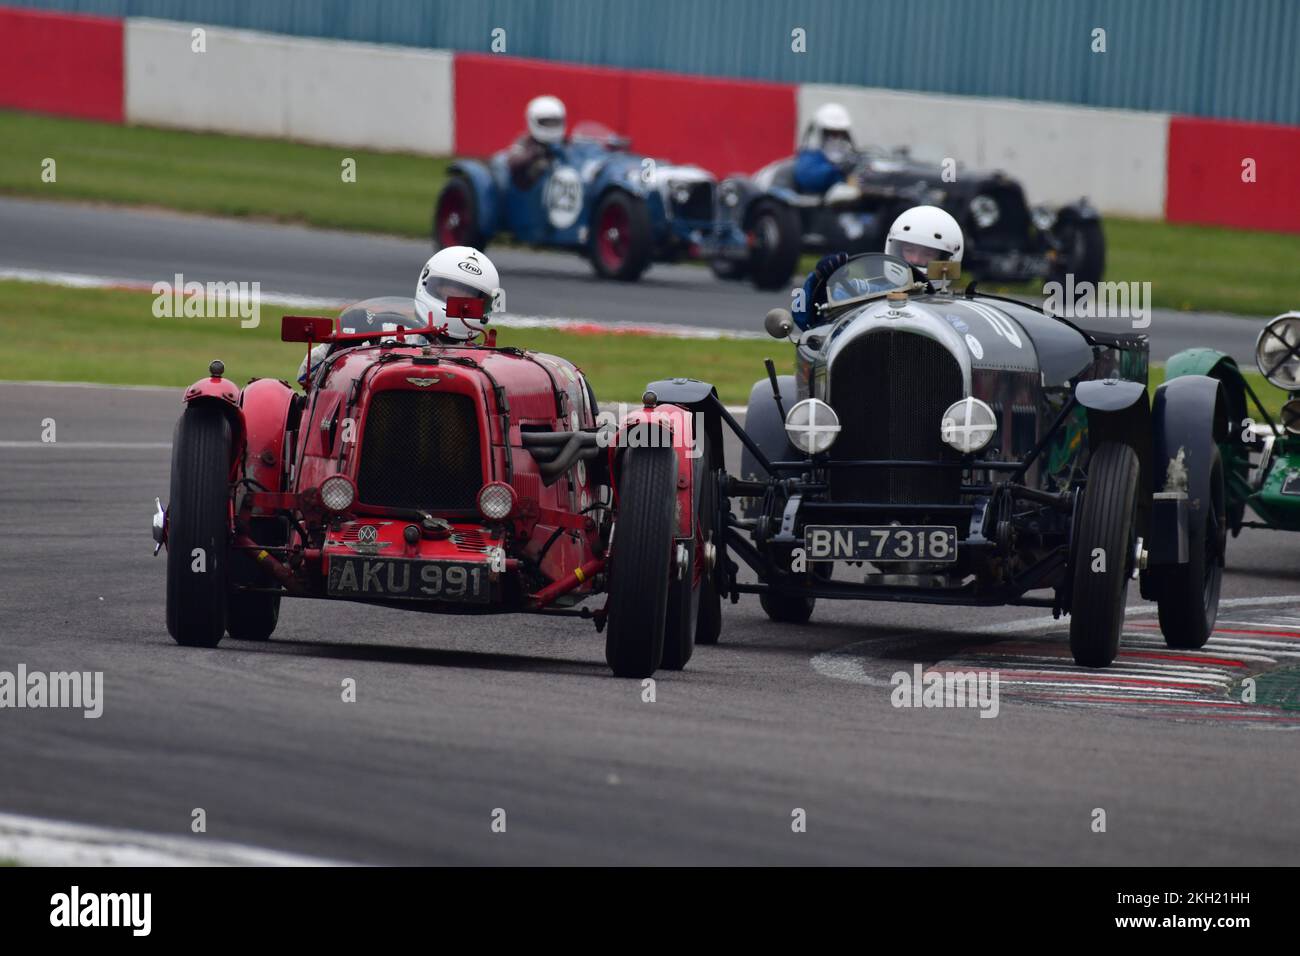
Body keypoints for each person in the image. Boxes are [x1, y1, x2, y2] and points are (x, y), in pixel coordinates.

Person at [297, 247, 500, 385]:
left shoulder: (488, 367)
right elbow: (306, 375)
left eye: (467, 299)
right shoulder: (381, 335)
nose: (458, 303)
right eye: (449, 292)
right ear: (428, 284)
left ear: (485, 307)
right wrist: (342, 346)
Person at [790, 205, 965, 329]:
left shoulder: (958, 313)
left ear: (948, 258)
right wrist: (820, 279)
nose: (916, 259)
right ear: (893, 247)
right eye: (909, 250)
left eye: (928, 254)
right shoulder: (869, 291)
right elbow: (804, 318)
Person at [793, 102, 855, 194]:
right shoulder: (810, 156)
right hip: (815, 199)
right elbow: (809, 179)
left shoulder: (849, 156)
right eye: (831, 133)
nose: (836, 138)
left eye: (839, 133)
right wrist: (836, 169)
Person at [507, 95, 566, 190]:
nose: (551, 126)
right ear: (532, 120)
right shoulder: (525, 142)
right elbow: (513, 160)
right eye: (546, 122)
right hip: (531, 195)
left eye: (554, 122)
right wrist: (534, 156)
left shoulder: (563, 144)